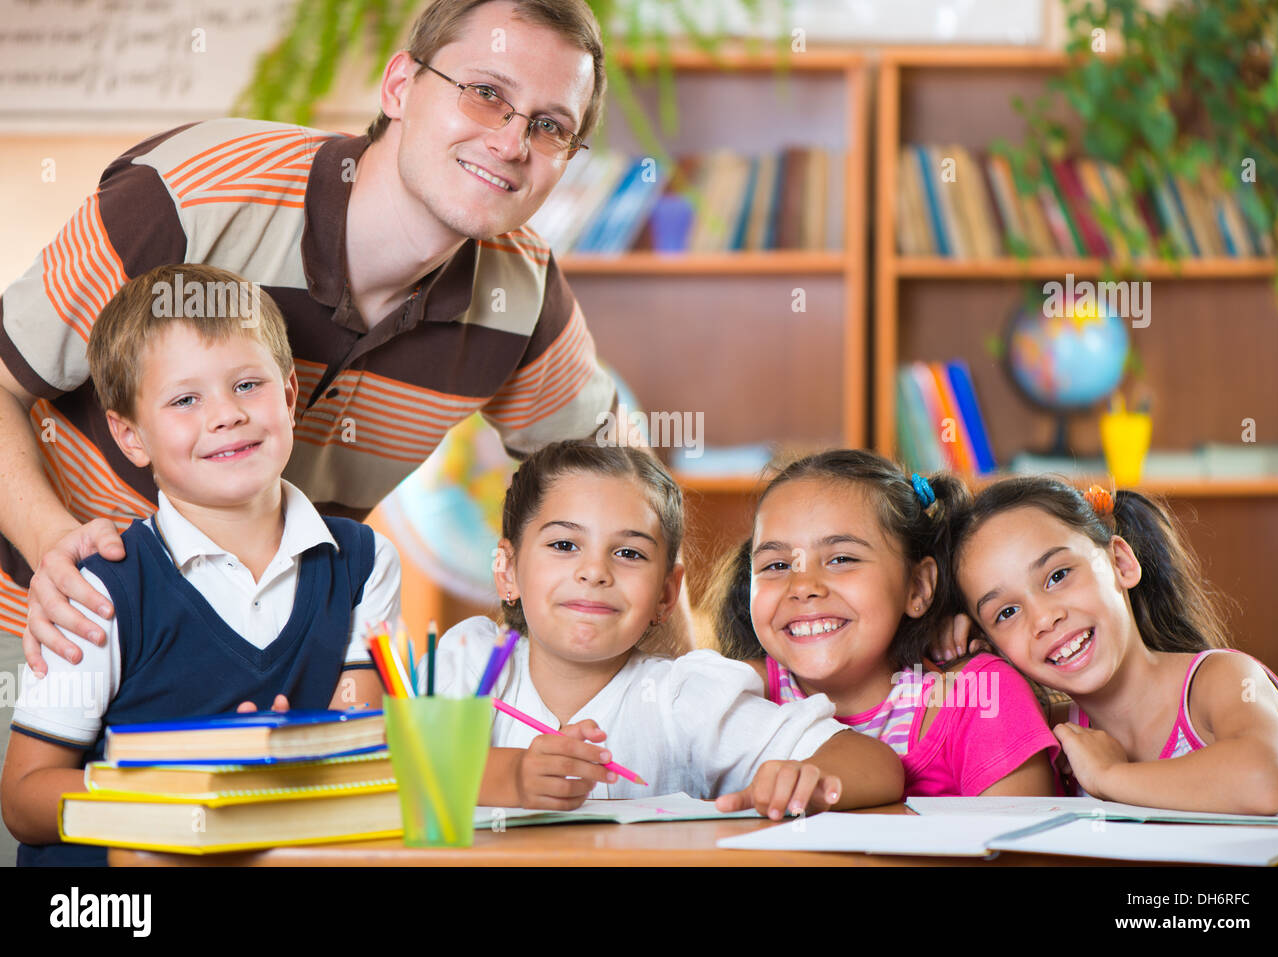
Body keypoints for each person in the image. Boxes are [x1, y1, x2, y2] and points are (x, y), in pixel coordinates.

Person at [0, 0, 615, 673]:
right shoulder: (190, 196)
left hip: (258, 660)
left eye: (551, 125)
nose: (511, 142)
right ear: (400, 87)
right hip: (42, 619)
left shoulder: (521, 295)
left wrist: (695, 711)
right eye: (485, 93)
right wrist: (52, 543)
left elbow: (613, 487)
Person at [0, 264, 396, 865]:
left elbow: (356, 754)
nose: (225, 415)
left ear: (289, 396)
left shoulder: (364, 563)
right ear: (130, 436)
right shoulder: (100, 585)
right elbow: (26, 801)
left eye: (246, 385)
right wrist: (176, 783)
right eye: (186, 399)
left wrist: (292, 760)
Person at [425, 441, 904, 817]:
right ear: (507, 570)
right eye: (565, 544)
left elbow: (876, 765)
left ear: (666, 595)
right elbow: (383, 771)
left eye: (629, 553)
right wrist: (512, 778)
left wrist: (811, 782)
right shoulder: (467, 662)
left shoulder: (683, 697)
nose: (595, 572)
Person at [707, 450, 1059, 797]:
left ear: (918, 586)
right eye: (777, 565)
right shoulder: (732, 697)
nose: (802, 588)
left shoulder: (979, 697)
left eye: (841, 558)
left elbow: (1022, 849)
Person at [950, 477, 1278, 814]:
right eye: (1006, 612)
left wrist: (1109, 776)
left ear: (1121, 563)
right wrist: (938, 651)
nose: (1043, 619)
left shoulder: (1224, 679)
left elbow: (1265, 781)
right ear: (993, 646)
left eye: (1058, 576)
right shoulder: (1052, 737)